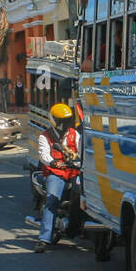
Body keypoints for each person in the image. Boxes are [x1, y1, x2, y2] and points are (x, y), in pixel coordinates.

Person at [36, 102, 80, 253]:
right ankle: (44, 238)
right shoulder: (45, 136)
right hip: (56, 173)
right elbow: (43, 155)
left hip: (75, 172)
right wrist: (54, 163)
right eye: (62, 121)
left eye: (67, 121)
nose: (65, 124)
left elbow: (82, 151)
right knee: (52, 200)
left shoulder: (75, 134)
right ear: (55, 121)